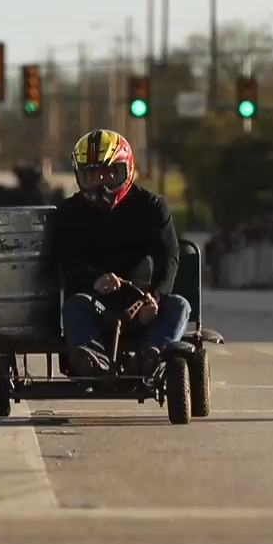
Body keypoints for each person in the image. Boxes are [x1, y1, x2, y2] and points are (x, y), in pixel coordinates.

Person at [51, 129, 189, 377]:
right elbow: (67, 262)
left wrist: (155, 297)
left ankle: (151, 355)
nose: (100, 182)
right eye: (92, 175)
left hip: (142, 305)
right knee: (73, 307)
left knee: (179, 306)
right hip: (95, 304)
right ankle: (94, 361)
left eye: (107, 174)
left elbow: (168, 258)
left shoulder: (151, 207)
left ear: (124, 171)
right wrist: (97, 279)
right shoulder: (69, 212)